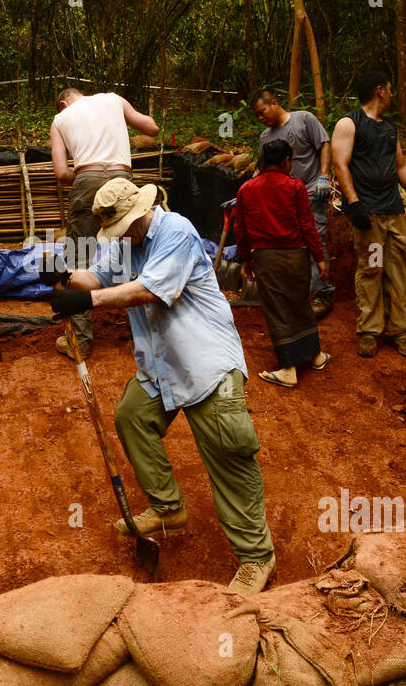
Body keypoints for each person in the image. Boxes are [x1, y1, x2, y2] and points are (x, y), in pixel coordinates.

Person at [40, 177, 276, 594]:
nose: (120, 236)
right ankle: (168, 508)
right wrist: (65, 274)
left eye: (122, 228)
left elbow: (149, 291)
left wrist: (87, 304)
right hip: (162, 366)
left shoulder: (177, 232)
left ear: (138, 212)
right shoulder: (124, 240)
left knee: (228, 454)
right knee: (131, 416)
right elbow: (95, 279)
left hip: (206, 366)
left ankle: (257, 557)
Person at [49, 87, 159, 360]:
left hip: (86, 179)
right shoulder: (113, 99)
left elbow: (62, 172)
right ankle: (143, 339)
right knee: (133, 255)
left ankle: (81, 344)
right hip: (123, 180)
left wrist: (90, 174)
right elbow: (152, 128)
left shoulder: (60, 119)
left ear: (64, 104)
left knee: (78, 257)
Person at [331, 71, 406, 360]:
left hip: (393, 211)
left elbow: (400, 166)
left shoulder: (389, 128)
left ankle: (401, 330)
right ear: (380, 91)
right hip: (368, 213)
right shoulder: (349, 123)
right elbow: (340, 164)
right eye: (390, 88)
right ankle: (370, 331)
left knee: (398, 268)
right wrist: (355, 203)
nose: (392, 93)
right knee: (373, 268)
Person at [233, 137, 331, 388]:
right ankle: (316, 356)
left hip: (266, 257)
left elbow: (240, 229)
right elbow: (307, 225)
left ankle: (289, 368)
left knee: (277, 308)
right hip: (296, 255)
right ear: (287, 161)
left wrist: (246, 260)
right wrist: (319, 257)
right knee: (300, 302)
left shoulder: (246, 189)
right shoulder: (295, 186)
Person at [250, 89, 336, 318]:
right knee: (289, 243)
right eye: (257, 116)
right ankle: (295, 293)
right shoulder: (266, 137)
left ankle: (322, 293)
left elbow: (324, 144)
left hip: (310, 189)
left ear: (275, 103)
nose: (260, 118)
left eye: (262, 112)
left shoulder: (304, 119)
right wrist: (250, 187)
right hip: (283, 196)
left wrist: (324, 176)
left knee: (314, 237)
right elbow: (262, 167)